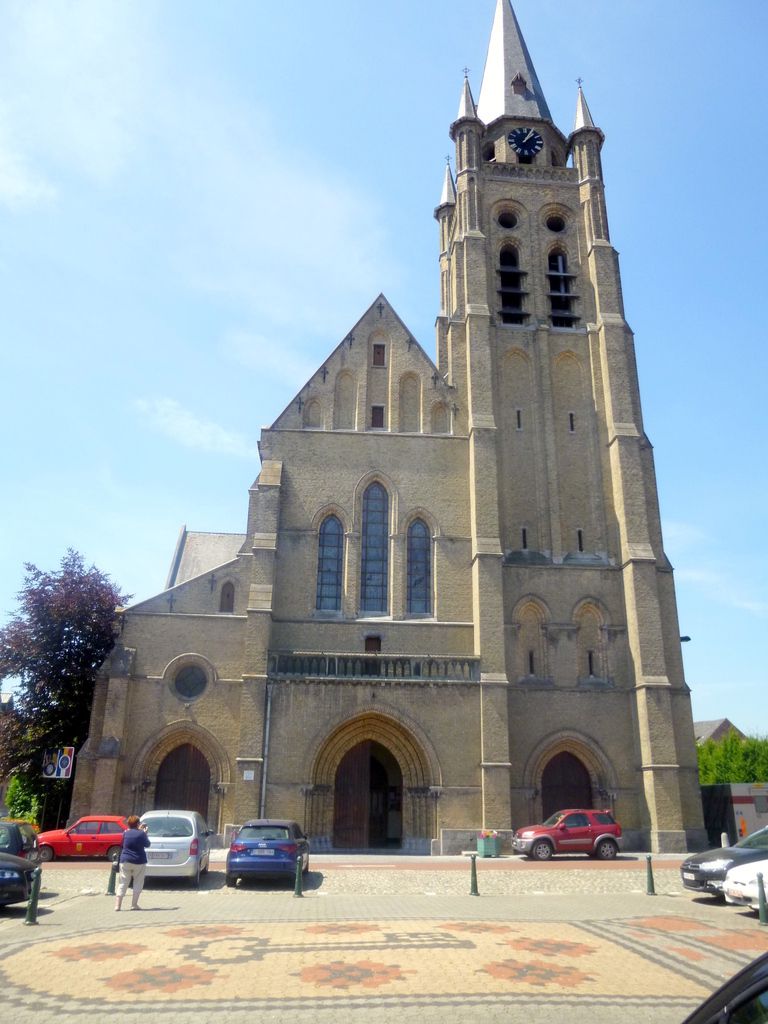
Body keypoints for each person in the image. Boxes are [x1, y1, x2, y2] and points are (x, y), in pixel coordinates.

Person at [115, 815, 150, 911]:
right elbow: (147, 844)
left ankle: (117, 906)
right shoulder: (141, 834)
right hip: (139, 861)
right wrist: (145, 833)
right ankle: (134, 905)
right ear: (138, 824)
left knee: (123, 882)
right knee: (138, 882)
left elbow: (122, 844)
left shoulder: (125, 833)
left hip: (125, 860)